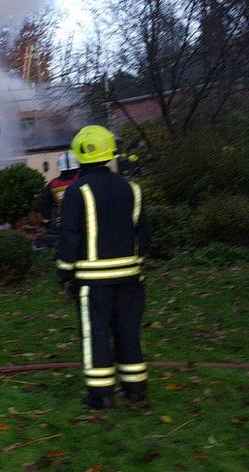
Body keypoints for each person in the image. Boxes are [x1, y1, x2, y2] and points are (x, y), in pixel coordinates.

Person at [56, 125, 149, 410]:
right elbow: (142, 233)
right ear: (110, 153)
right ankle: (135, 389)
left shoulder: (77, 191)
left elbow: (70, 235)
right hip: (130, 278)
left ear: (80, 155)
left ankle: (100, 394)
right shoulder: (132, 188)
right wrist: (138, 264)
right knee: (128, 330)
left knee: (96, 333)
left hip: (93, 282)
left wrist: (64, 272)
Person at [37, 151, 80, 245]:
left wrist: (46, 223)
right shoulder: (83, 180)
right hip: (83, 222)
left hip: (62, 225)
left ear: (60, 168)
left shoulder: (52, 185)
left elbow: (44, 205)